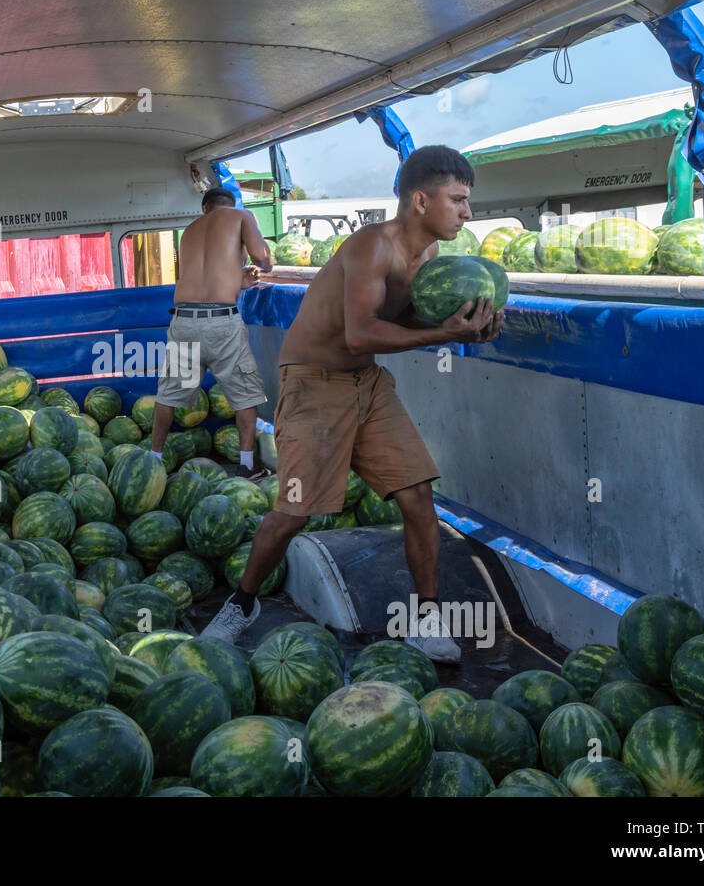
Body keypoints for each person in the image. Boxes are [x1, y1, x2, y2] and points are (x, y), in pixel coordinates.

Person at [200, 146, 505, 661]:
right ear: (421, 201)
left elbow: (398, 325)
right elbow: (360, 332)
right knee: (294, 511)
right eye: (458, 201)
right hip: (313, 383)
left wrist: (467, 331)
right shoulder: (371, 246)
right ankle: (242, 603)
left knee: (417, 496)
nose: (467, 213)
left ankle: (426, 618)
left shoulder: (428, 258)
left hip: (367, 383)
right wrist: (441, 334)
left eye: (468, 202)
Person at [150, 187, 274, 479]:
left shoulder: (189, 230)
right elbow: (262, 258)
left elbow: (203, 277)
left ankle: (153, 460)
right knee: (245, 395)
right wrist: (261, 262)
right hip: (221, 323)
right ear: (229, 206)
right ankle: (246, 465)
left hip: (183, 320)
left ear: (205, 208)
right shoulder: (240, 216)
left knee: (168, 395)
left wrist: (235, 281)